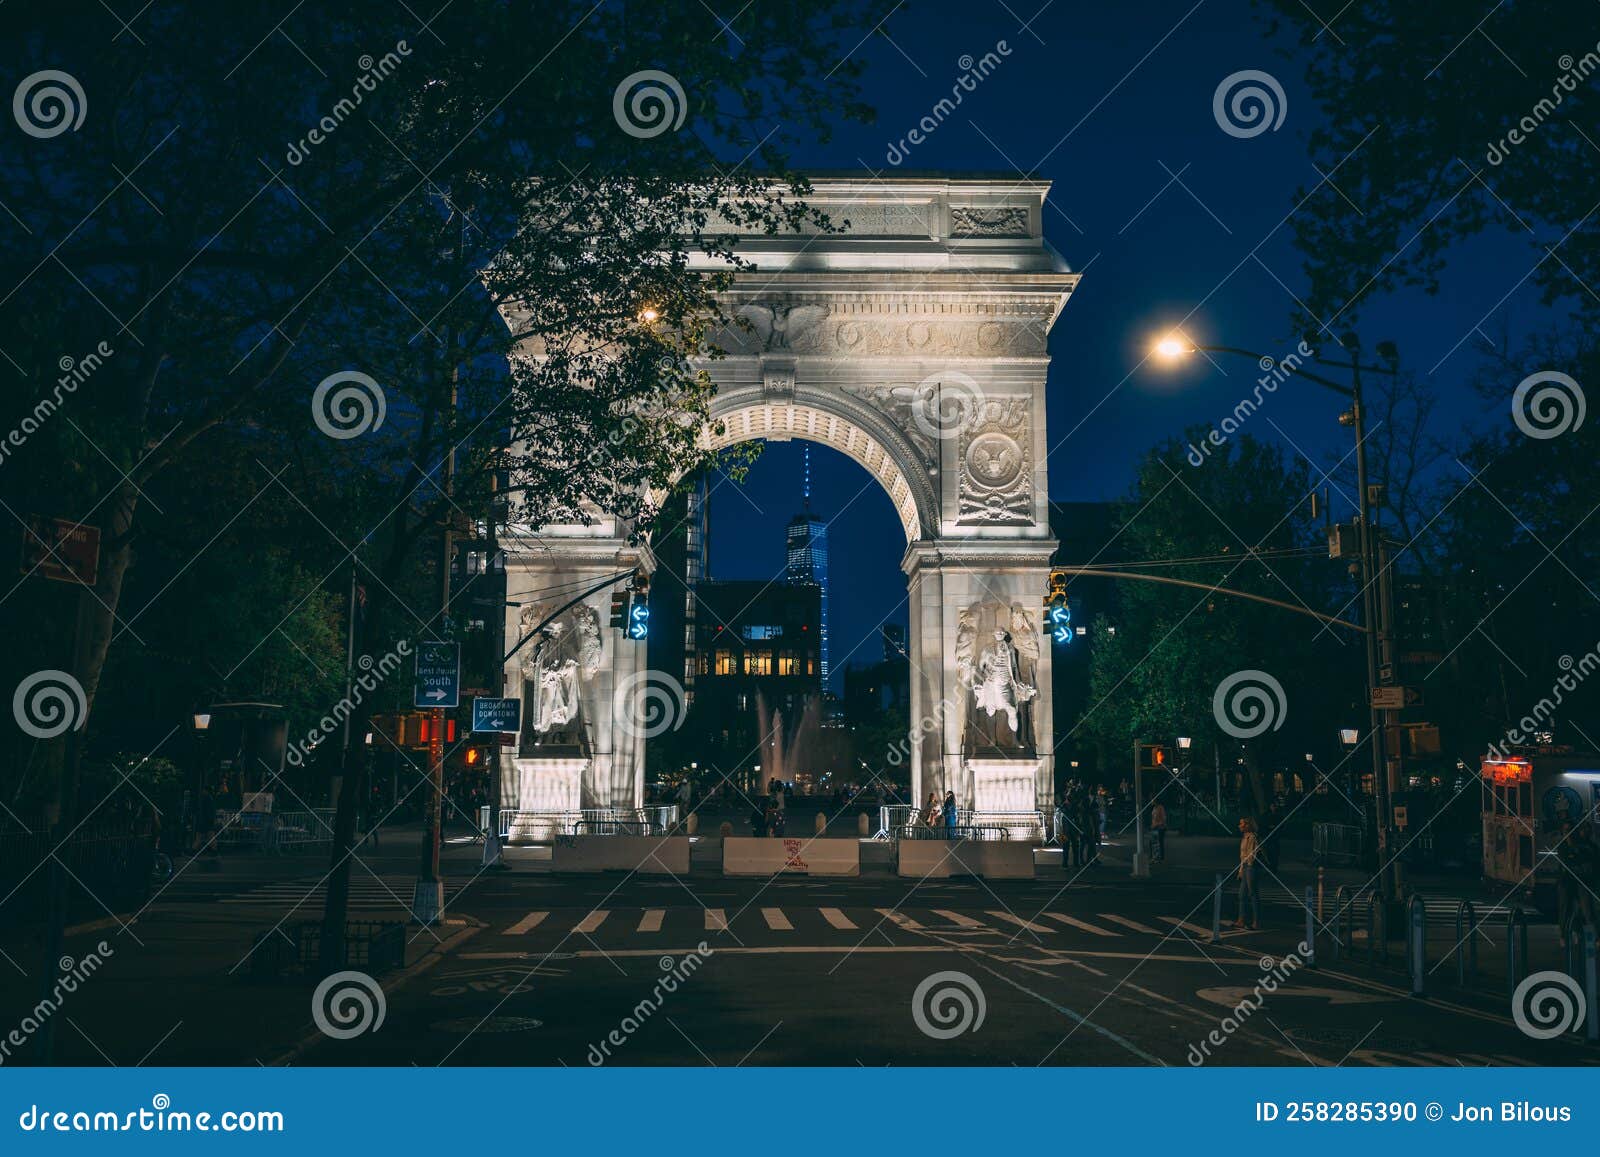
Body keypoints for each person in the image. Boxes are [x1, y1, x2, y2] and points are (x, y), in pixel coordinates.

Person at [1233, 816, 1260, 929]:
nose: (1239, 826)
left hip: (1250, 868)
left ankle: (1256, 922)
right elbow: (1242, 856)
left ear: (1247, 825)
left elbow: (1252, 855)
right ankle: (1241, 920)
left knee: (1252, 894)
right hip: (1245, 867)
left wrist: (1247, 866)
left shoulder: (1252, 838)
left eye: (1242, 824)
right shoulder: (1244, 837)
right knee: (1241, 895)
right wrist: (1240, 870)